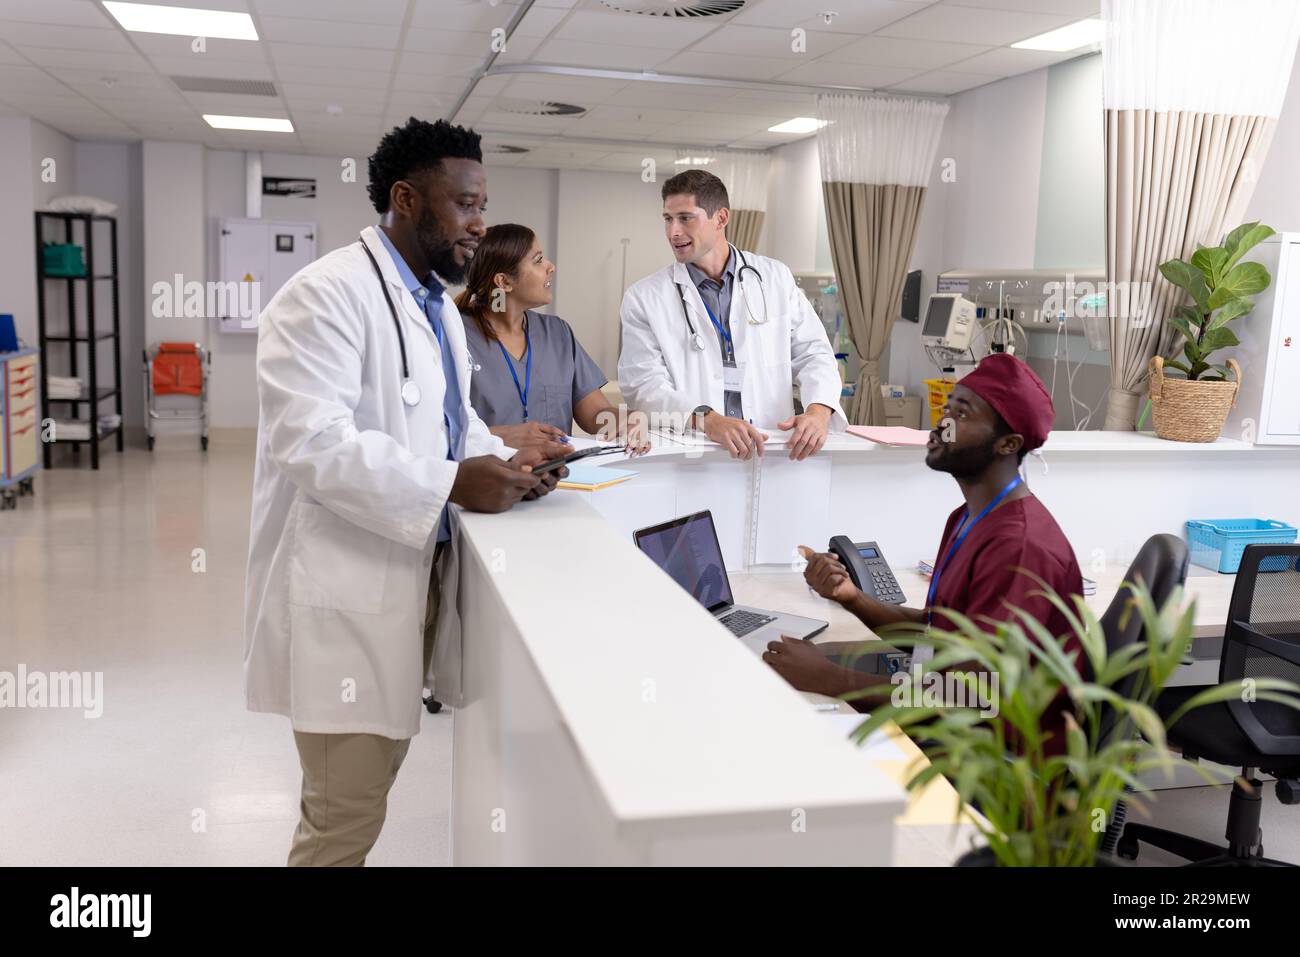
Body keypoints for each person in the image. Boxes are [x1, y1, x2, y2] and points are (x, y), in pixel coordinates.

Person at [243, 117, 564, 867]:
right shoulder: (323, 295)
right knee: (342, 819)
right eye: (466, 204)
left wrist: (508, 463)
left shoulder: (430, 308)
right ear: (406, 199)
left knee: (366, 794)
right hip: (343, 592)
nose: (479, 224)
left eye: (483, 205)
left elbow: (452, 428)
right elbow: (312, 444)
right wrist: (455, 479)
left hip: (410, 579)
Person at [764, 354, 1083, 734]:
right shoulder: (967, 517)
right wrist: (850, 596)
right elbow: (939, 635)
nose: (940, 426)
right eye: (945, 409)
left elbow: (969, 697)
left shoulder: (1020, 548)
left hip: (999, 765)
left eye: (961, 415)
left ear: (1008, 443)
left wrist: (830, 678)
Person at [618, 168, 846, 462]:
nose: (673, 231)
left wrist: (817, 411)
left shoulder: (774, 278)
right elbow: (643, 387)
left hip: (774, 449)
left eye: (685, 218)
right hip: (694, 454)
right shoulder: (644, 298)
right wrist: (708, 419)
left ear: (721, 218)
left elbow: (814, 352)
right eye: (668, 219)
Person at [454, 223, 649, 456]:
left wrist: (627, 420)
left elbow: (595, 413)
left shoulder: (557, 334)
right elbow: (440, 428)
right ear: (504, 282)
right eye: (538, 260)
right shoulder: (455, 336)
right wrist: (498, 435)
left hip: (559, 480)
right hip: (487, 480)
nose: (551, 267)